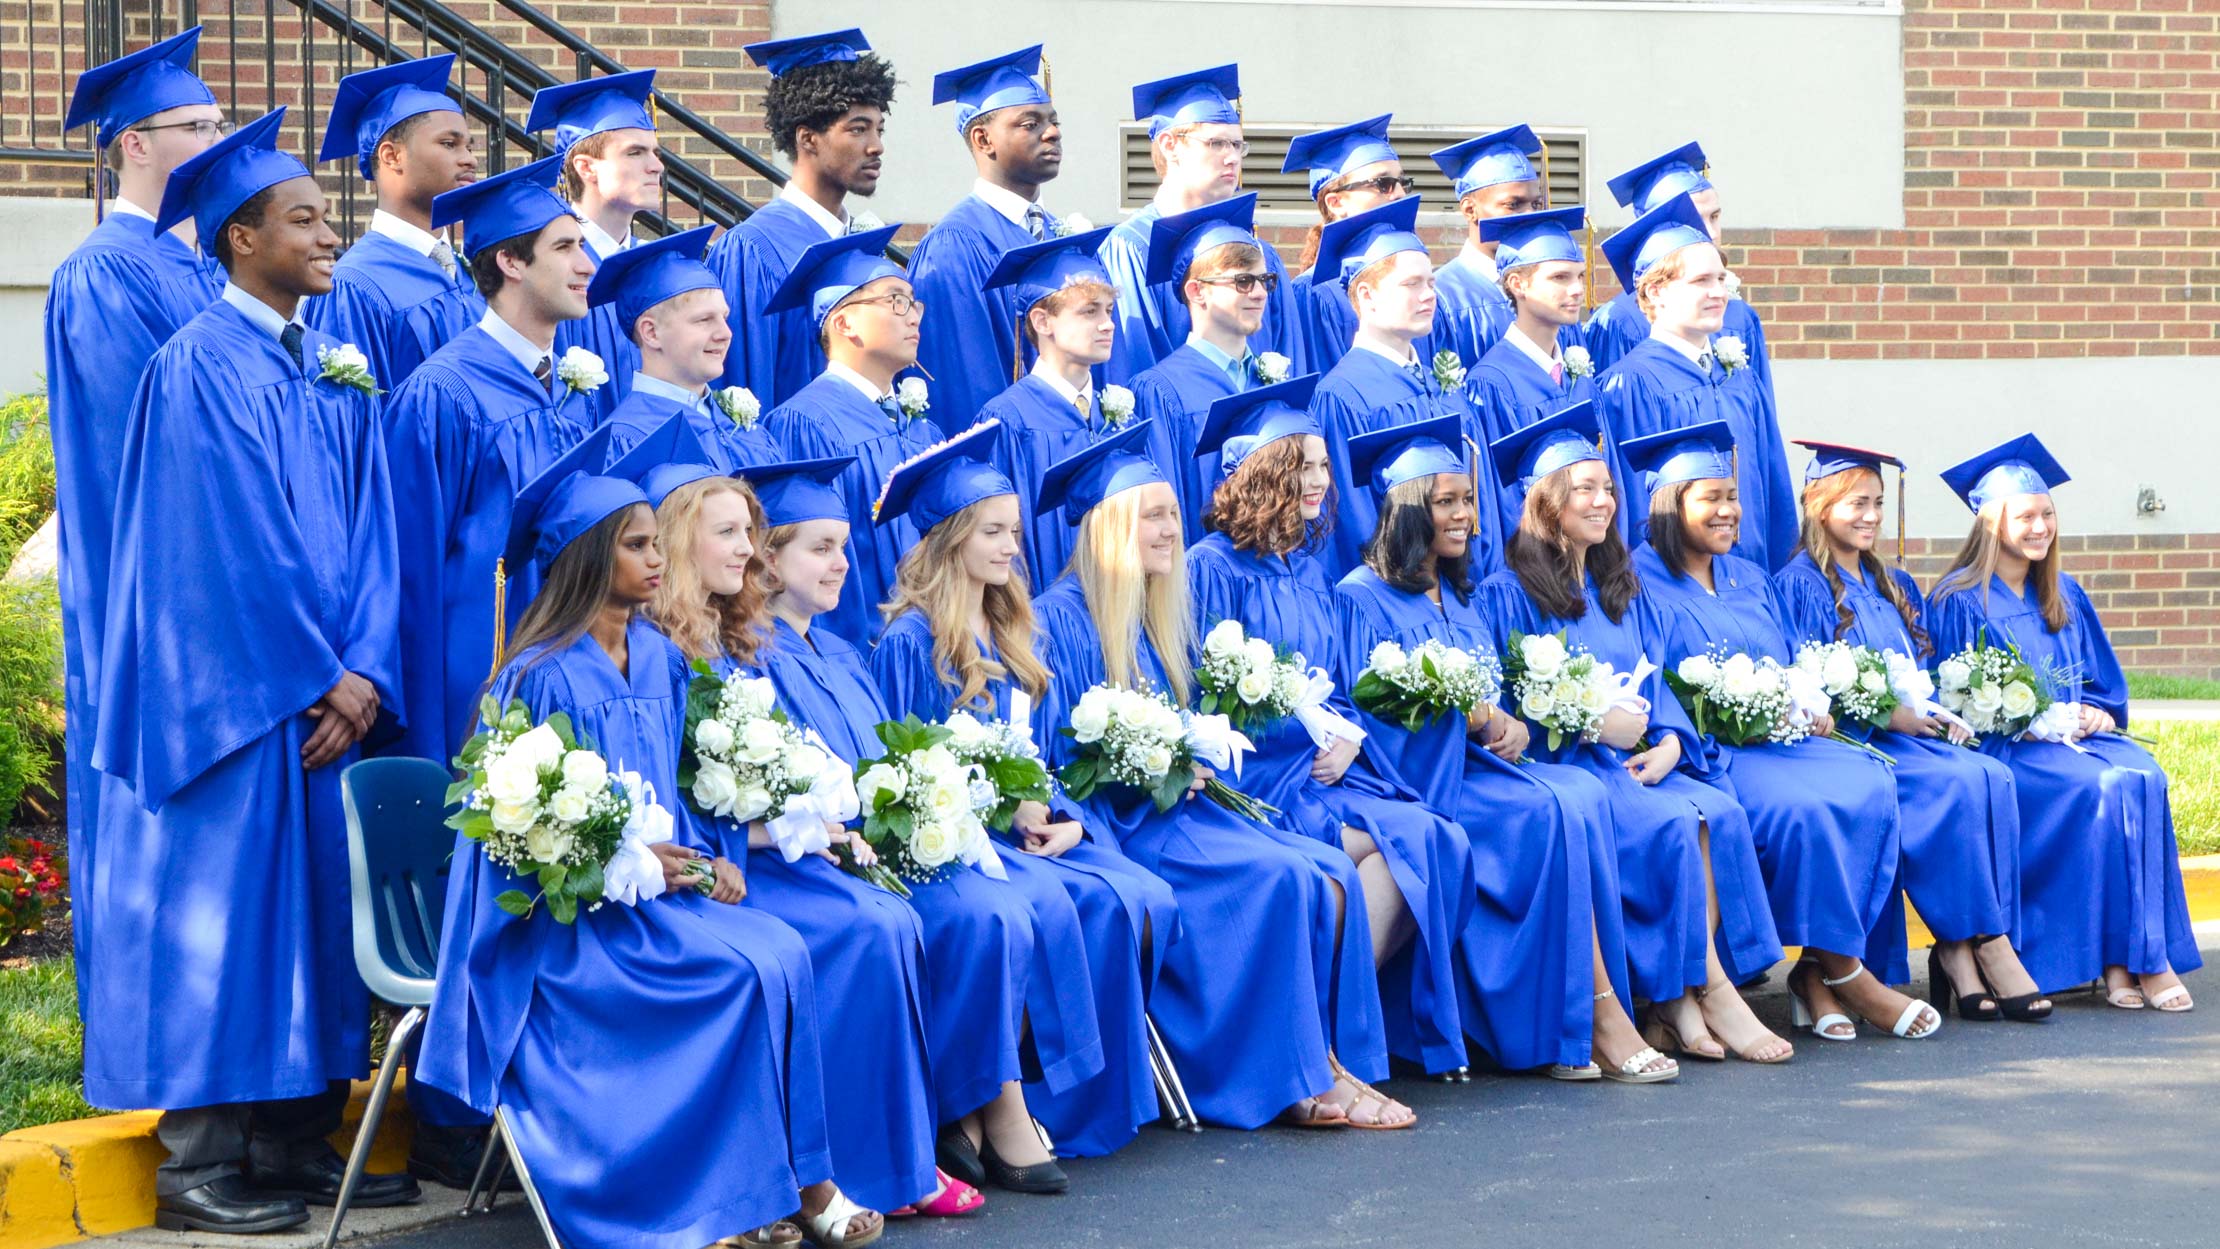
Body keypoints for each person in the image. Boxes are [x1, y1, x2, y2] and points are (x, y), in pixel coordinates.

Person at [86, 109, 416, 1233]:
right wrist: (321, 676)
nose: (331, 236)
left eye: (329, 218)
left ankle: (292, 1137)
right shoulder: (199, 368)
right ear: (242, 238)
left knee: (312, 913)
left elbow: (376, 535)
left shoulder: (324, 365)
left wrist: (364, 671)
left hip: (324, 698)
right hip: (240, 701)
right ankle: (197, 1161)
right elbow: (223, 544)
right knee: (225, 914)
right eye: (306, 220)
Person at [416, 452, 839, 1249]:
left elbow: (671, 796)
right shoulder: (535, 675)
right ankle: (713, 1206)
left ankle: (786, 1184)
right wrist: (616, 863)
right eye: (637, 545)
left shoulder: (661, 658)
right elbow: (504, 839)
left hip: (657, 902)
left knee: (784, 948)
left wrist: (705, 857)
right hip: (571, 925)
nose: (657, 559)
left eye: (656, 543)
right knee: (732, 975)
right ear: (586, 556)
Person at [637, 444, 972, 1229]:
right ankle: (841, 1166)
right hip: (718, 865)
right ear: (682, 542)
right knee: (862, 927)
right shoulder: (659, 652)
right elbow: (668, 796)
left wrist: (801, 818)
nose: (748, 551)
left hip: (757, 851)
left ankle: (891, 1157)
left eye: (750, 533)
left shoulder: (734, 640)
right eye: (730, 534)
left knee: (886, 918)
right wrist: (769, 828)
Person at [1030, 424, 1401, 1130]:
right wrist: (1132, 779)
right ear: (1112, 527)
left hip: (1181, 811)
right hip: (1121, 826)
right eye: (1155, 516)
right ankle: (1290, 1077)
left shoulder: (1153, 616)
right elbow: (1050, 754)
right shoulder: (1060, 622)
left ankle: (1321, 1058)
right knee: (1281, 876)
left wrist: (1186, 755)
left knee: (1325, 869)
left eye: (1174, 513)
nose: (1173, 530)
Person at [748, 456, 1074, 1198]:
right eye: (820, 548)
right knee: (987, 911)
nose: (842, 563)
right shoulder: (753, 660)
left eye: (843, 546)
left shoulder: (838, 652)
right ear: (768, 559)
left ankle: (975, 1111)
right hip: (827, 862)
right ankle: (985, 1108)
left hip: (886, 847)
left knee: (1000, 908)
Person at [870, 422, 1179, 1160]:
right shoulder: (911, 642)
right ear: (951, 540)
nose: (1012, 546)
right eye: (993, 532)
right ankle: (989, 1099)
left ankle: (1063, 1102)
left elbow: (1044, 759)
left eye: (1013, 530)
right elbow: (898, 767)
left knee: (1137, 895)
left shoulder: (1017, 633)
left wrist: (1069, 819)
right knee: (1058, 903)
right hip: (954, 842)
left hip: (1024, 833)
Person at [1334, 415, 1668, 1082]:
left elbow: (1491, 701)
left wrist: (1508, 725)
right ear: (1407, 510)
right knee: (1550, 808)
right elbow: (1370, 719)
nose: (1464, 515)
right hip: (1421, 781)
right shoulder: (1360, 598)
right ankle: (1585, 1020)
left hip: (1478, 769)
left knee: (1580, 794)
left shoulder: (1458, 598)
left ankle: (1572, 1023)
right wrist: (1471, 717)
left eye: (1468, 500)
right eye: (1446, 501)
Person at [1475, 404, 1790, 1064]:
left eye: (1609, 488)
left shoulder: (1621, 586)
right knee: (1674, 821)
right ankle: (1702, 991)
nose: (1604, 501)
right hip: (1569, 764)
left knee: (1719, 811)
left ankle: (1683, 997)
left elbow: (1658, 678)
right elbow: (1507, 707)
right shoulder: (1507, 592)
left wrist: (1672, 740)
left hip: (1635, 761)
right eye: (1585, 489)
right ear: (1546, 500)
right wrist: (1591, 721)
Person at [1186, 381, 1478, 1090]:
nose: (1320, 479)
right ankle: (1314, 1036)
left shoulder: (1310, 571)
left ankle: (1320, 1021)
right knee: (1395, 848)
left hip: (1324, 768)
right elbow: (1200, 693)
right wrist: (1298, 729)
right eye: (1303, 466)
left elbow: (1335, 684)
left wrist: (1346, 733)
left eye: (1322, 465)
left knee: (1437, 839)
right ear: (1264, 475)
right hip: (1258, 774)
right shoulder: (1210, 567)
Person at [1624, 422, 1939, 1045]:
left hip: (1780, 739)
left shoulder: (1747, 575)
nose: (1729, 510)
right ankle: (1846, 972)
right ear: (1671, 504)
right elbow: (1645, 675)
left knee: (1871, 779)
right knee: (1804, 809)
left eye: (1732, 497)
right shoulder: (1638, 580)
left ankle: (1819, 967)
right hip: (1711, 750)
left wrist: (1810, 704)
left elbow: (1793, 658)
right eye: (1711, 498)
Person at [49, 25, 225, 1039]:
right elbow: (152, 458)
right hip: (154, 609)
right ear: (135, 143)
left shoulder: (201, 268)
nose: (215, 140)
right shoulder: (103, 275)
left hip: (217, 604)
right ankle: (176, 1089)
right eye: (194, 125)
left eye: (216, 121)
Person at [1773, 441, 2049, 1019]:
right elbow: (1806, 681)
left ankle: (1963, 947)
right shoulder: (1800, 584)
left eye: (1877, 503)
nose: (1871, 515)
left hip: (1907, 736)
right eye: (1856, 503)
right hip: (1852, 741)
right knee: (1954, 785)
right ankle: (1981, 943)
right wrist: (1889, 715)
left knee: (1990, 774)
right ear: (1819, 506)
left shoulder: (1891, 581)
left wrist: (1938, 711)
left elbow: (1917, 673)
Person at [1925, 435, 2202, 1008]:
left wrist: (2097, 712)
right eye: (2024, 516)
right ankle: (2130, 963)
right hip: (2009, 750)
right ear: (1990, 522)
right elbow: (1950, 701)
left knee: (2143, 775)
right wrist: (2020, 720)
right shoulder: (1959, 599)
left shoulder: (2064, 591)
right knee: (2104, 785)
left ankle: (2129, 961)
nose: (2040, 528)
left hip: (2073, 742)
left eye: (2047, 514)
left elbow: (2102, 684)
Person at [381, 153, 598, 766]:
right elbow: (409, 565)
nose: (587, 264)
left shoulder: (572, 390)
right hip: (475, 684)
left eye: (583, 246)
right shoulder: (443, 393)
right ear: (510, 262)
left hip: (568, 669)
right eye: (565, 248)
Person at [1594, 192, 1798, 571]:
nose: (1719, 292)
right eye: (1701, 281)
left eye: (1721, 278)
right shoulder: (1629, 386)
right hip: (1670, 585)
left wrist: (1777, 575)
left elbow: (1772, 483)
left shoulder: (1740, 378)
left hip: (1750, 579)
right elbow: (1632, 505)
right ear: (1655, 291)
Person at [1303, 196, 1500, 576]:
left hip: (1462, 593)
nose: (1429, 295)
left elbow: (1482, 502)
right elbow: (1352, 519)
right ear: (1367, 295)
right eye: (1411, 284)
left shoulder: (1444, 386)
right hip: (1393, 592)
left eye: (1431, 282)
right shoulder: (1343, 396)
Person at [762, 227, 939, 647]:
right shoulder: (805, 422)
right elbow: (808, 555)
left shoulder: (922, 427)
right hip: (858, 650)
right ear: (844, 323)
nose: (913, 315)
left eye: (913, 302)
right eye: (896, 301)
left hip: (930, 646)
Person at [711, 29, 897, 405]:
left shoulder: (861, 246)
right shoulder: (752, 250)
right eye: (858, 129)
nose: (876, 146)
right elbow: (741, 393)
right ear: (808, 139)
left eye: (879, 129)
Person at [1099, 64, 1302, 382]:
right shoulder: (1132, 247)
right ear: (1170, 146)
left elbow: (1289, 360)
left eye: (1237, 145)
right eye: (1216, 143)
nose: (1232, 157)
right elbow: (1137, 370)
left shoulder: (1261, 253)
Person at [907, 45, 1075, 429]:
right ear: (983, 140)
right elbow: (963, 389)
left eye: (1053, 121)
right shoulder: (953, 248)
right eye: (1030, 124)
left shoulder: (1060, 234)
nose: (1052, 132)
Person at [972, 227, 1148, 592]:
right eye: (1089, 311)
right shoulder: (1007, 421)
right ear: (1042, 321)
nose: (1108, 324)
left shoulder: (1119, 416)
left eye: (1109, 310)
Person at [307, 53, 482, 388]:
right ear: (392, 156)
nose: (469, 160)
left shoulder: (468, 274)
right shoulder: (354, 286)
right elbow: (352, 412)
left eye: (469, 147)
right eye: (449, 144)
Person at [1123, 193, 1278, 539]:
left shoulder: (1272, 382)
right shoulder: (1160, 391)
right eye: (1243, 281)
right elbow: (1164, 505)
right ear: (1197, 292)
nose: (1259, 293)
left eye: (1265, 280)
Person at [528, 68, 663, 422]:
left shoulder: (656, 268)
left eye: (655, 152)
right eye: (635, 153)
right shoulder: (545, 271)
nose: (657, 166)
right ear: (586, 168)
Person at [1462, 206, 1602, 542]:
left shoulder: (1580, 377)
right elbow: (1498, 495)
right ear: (1517, 284)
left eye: (1579, 276)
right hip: (1529, 557)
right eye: (1560, 277)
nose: (1576, 289)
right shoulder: (1491, 383)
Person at [589, 225, 776, 469]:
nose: (725, 333)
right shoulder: (627, 442)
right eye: (704, 320)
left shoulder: (743, 429)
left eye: (724, 317)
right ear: (651, 333)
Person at [1584, 142, 1765, 383]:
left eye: (1714, 217)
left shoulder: (1739, 315)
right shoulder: (1619, 322)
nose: (1711, 233)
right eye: (1694, 220)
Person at [1279, 114, 1422, 372]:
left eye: (1402, 182)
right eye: (1384, 184)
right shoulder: (1315, 294)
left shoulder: (1419, 282)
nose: (1400, 193)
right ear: (1336, 203)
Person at [1427, 125, 1552, 367]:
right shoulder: (1440, 297)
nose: (1529, 215)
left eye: (1536, 205)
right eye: (1513, 205)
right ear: (1469, 210)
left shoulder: (1548, 289)